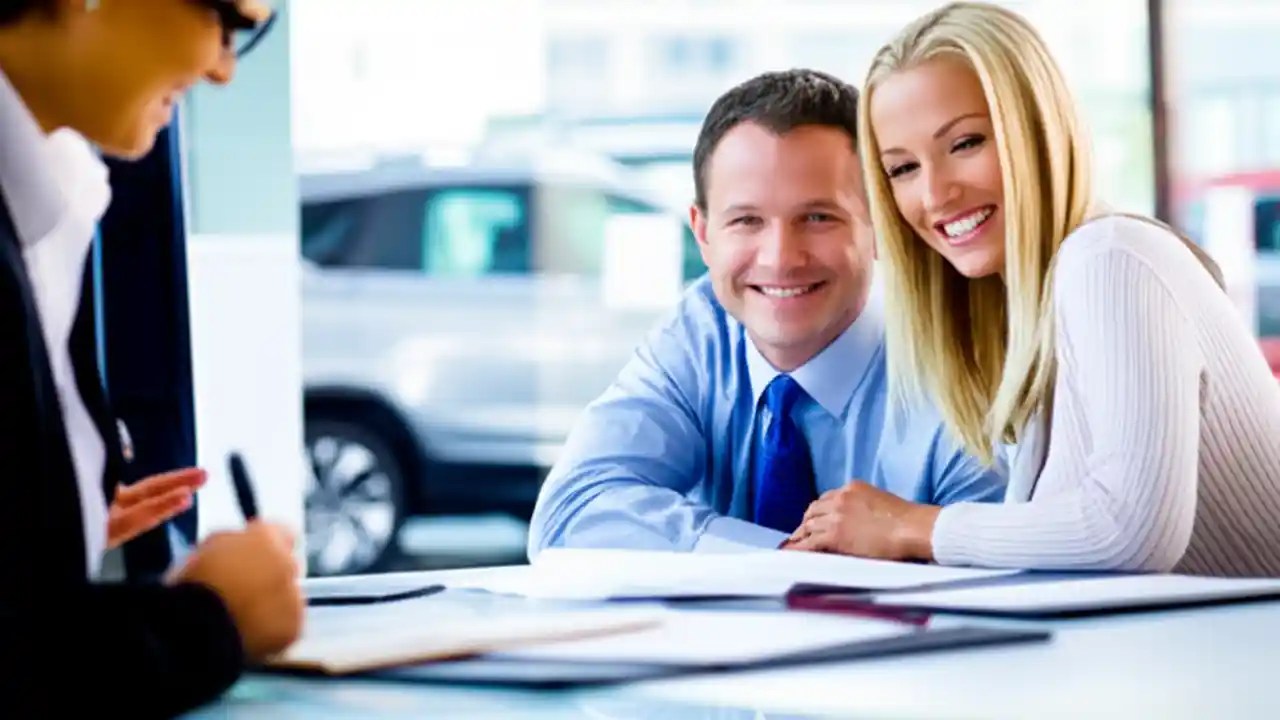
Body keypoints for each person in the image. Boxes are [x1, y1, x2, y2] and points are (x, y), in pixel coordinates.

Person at [788, 1, 1280, 577]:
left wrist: (910, 526)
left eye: (965, 143)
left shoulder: (1110, 257)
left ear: (1036, 131)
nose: (934, 195)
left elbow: (1130, 535)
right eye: (903, 169)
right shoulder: (1028, 313)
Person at [527, 69, 1006, 558]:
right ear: (704, 233)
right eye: (747, 221)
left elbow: (998, 575)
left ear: (881, 225)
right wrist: (782, 560)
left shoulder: (956, 368)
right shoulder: (703, 331)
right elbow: (571, 512)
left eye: (818, 218)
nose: (780, 257)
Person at [0, 0, 303, 716]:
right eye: (227, 22)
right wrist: (213, 616)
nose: (224, 69)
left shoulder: (45, 195)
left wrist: (51, 515)